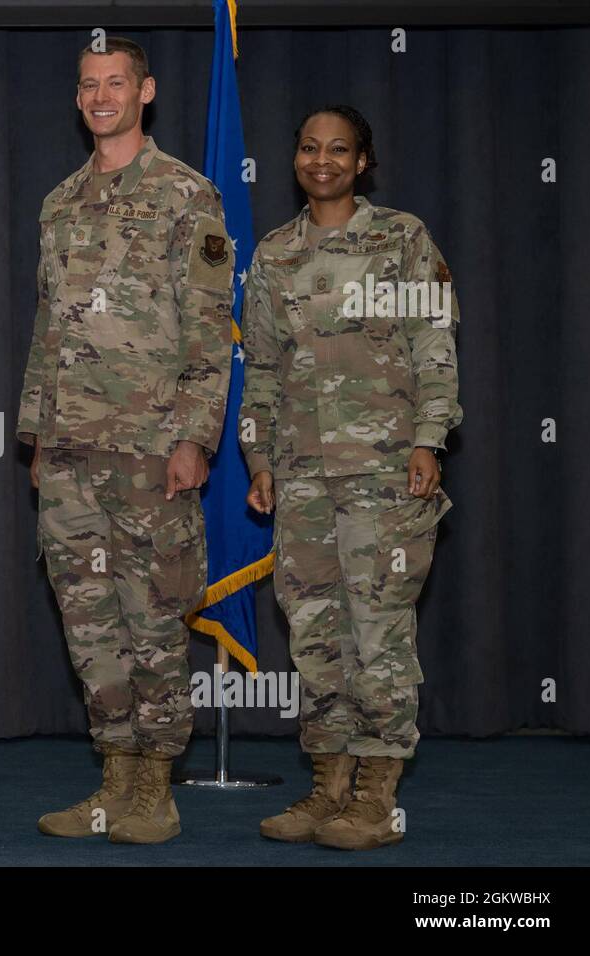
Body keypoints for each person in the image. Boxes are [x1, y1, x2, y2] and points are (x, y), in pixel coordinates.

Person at [17, 38, 235, 845]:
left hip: (152, 449)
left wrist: (195, 439)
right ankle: (112, 779)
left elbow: (213, 332)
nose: (101, 97)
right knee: (89, 623)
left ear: (146, 91)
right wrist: (36, 432)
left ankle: (157, 788)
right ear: (78, 100)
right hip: (71, 450)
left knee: (152, 621)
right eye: (88, 86)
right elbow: (47, 328)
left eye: (116, 84)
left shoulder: (187, 194)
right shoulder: (60, 200)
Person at [241, 105, 462, 850]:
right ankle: (327, 786)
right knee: (314, 636)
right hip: (301, 476)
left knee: (379, 635)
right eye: (309, 147)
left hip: (387, 474)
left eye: (339, 149)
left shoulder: (401, 239)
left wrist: (430, 439)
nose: (322, 160)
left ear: (363, 162)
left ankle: (376, 797)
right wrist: (260, 460)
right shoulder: (273, 255)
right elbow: (263, 371)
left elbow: (433, 346)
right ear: (295, 158)